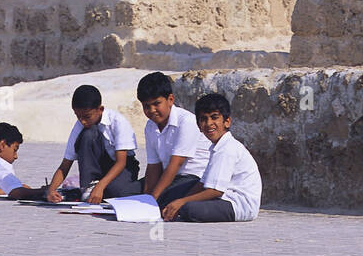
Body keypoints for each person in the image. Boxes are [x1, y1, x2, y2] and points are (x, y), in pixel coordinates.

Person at [160, 92, 261, 223]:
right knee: (177, 197)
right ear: (199, 126)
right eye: (203, 119)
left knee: (189, 208)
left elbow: (215, 191)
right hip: (224, 199)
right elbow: (203, 183)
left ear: (227, 122)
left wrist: (181, 202)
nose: (209, 123)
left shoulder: (227, 148)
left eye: (214, 118)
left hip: (238, 206)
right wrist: (179, 201)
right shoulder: (216, 147)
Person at [43, 84, 142, 203]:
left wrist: (100, 186)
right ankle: (88, 186)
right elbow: (65, 164)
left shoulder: (117, 122)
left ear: (100, 110)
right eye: (78, 117)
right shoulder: (80, 126)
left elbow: (121, 162)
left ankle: (138, 186)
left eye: (87, 117)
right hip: (100, 168)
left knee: (115, 193)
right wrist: (51, 190)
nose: (83, 121)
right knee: (88, 133)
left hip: (123, 167)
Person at [136, 71, 210, 209]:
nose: (152, 110)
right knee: (125, 192)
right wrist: (147, 195)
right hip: (168, 177)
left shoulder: (186, 121)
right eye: (146, 106)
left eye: (156, 103)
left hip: (192, 178)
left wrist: (152, 198)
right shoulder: (150, 126)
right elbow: (153, 165)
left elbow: (175, 164)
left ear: (170, 99)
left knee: (163, 199)